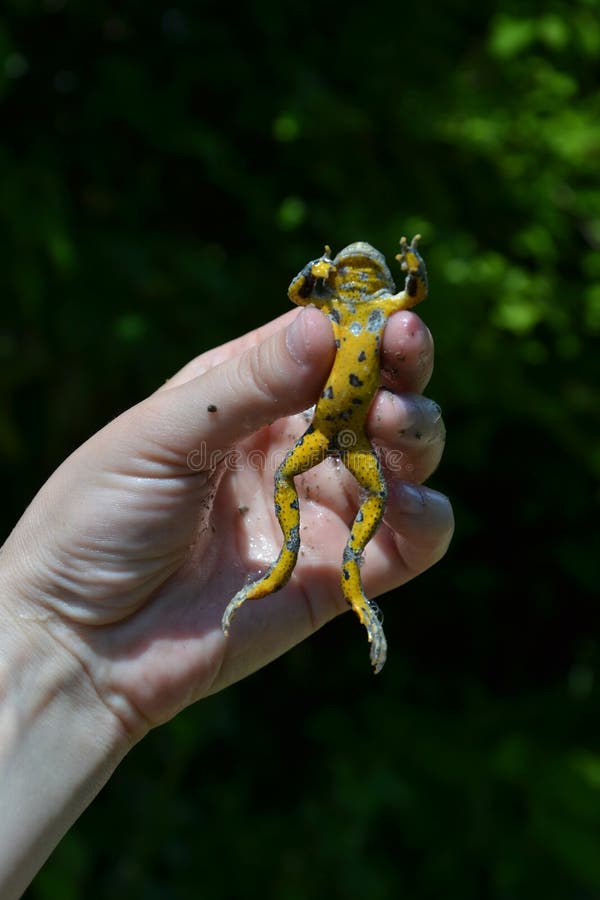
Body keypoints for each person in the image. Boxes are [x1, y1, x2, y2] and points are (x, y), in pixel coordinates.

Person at [0, 304, 453, 899]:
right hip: (316, 435)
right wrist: (52, 632)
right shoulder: (336, 310)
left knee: (374, 508)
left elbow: (411, 292)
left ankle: (360, 602)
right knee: (294, 492)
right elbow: (301, 291)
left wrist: (57, 647)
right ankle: (279, 574)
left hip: (347, 437)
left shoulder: (381, 308)